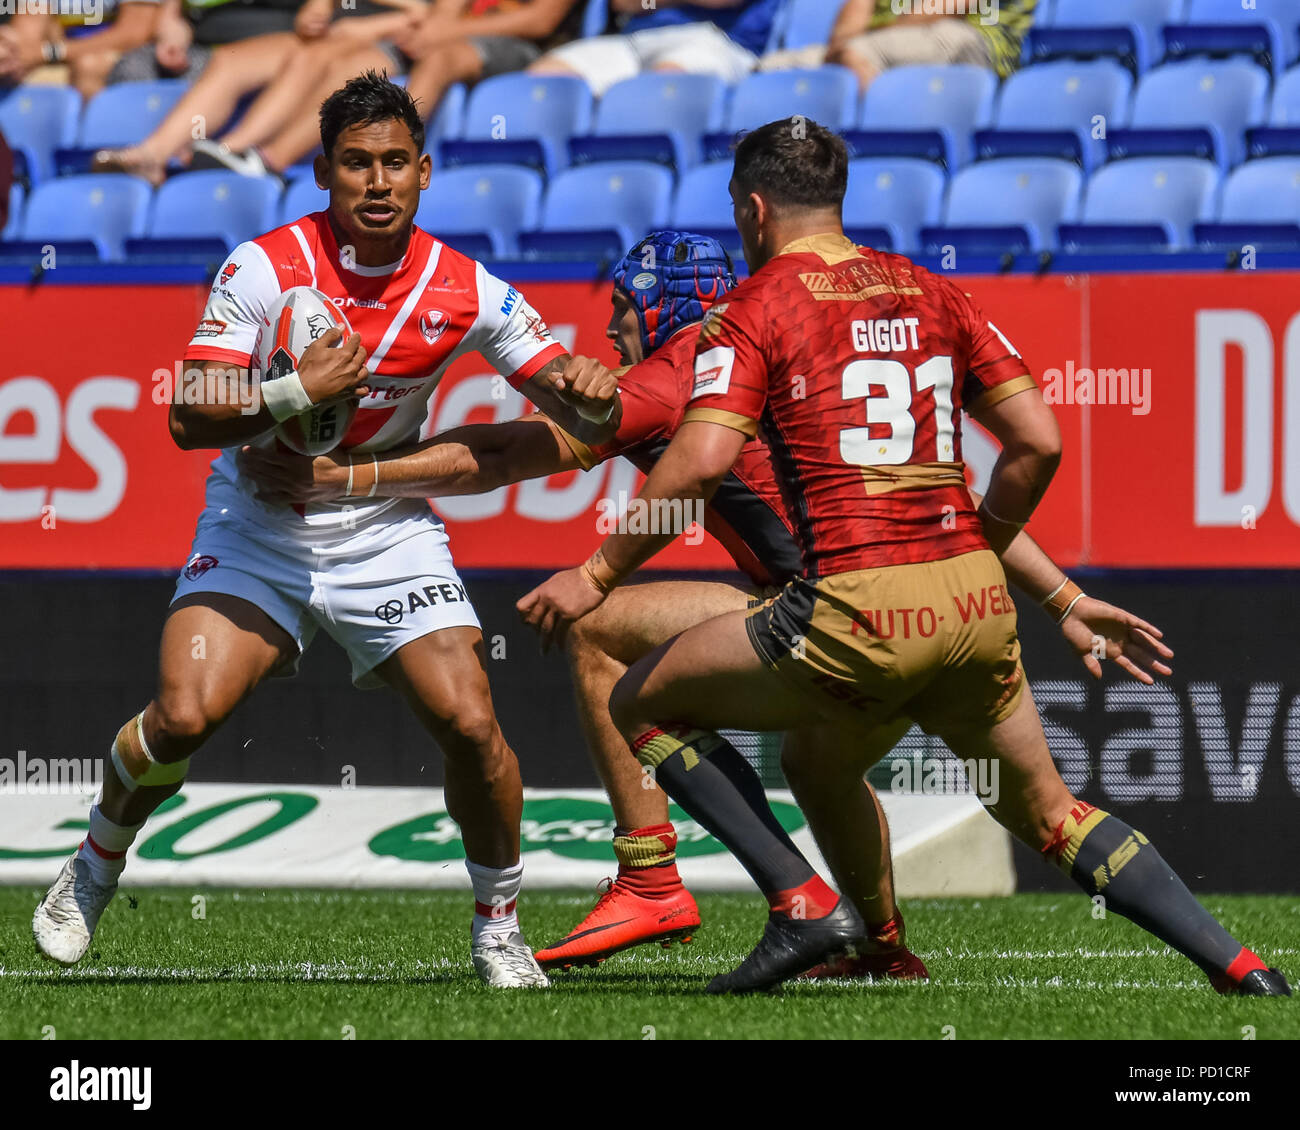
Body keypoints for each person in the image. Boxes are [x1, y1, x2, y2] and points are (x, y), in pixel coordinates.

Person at [239, 228, 1182, 984]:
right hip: (932, 602)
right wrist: (1062, 594)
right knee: (855, 773)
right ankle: (882, 943)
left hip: (829, 614)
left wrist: (348, 473)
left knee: (602, 633)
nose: (612, 339)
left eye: (621, 316)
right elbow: (941, 506)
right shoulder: (793, 352)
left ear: (659, 308)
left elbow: (500, 455)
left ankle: (655, 876)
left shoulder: (682, 366)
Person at [517, 118, 1293, 998]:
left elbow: (698, 464)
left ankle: (798, 904)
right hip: (973, 607)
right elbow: (1037, 442)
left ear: (752, 208)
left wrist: (594, 575)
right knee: (1046, 812)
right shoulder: (935, 290)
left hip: (852, 610)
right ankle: (1241, 967)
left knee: (638, 699)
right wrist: (1051, 590)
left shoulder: (752, 309)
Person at [31, 70, 621, 990]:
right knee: (185, 715)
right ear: (321, 172)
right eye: (356, 164)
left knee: (471, 723)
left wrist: (586, 381)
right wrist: (296, 393)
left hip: (383, 527)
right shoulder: (260, 268)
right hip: (259, 518)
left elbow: (572, 402)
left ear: (426, 173)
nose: (377, 183)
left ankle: (499, 926)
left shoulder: (464, 288)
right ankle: (93, 868)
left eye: (395, 163)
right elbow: (190, 417)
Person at [193, 0, 585, 180]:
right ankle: (265, 159)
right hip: (450, 37)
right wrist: (425, 31)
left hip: (519, 48)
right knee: (346, 61)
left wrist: (445, 32)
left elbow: (538, 20)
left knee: (441, 58)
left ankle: (403, 145)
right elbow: (444, 13)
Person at [90, 0, 425, 185]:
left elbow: (424, 16)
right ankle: (154, 153)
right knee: (230, 61)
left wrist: (360, 27)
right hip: (324, 39)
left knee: (315, 58)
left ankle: (240, 153)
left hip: (380, 44)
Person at [760, 0, 1038, 91]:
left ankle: (859, 144)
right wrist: (848, 48)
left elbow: (946, 7)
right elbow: (846, 30)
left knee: (856, 54)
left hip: (971, 39)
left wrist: (855, 47)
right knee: (770, 69)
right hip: (876, 44)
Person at [528, 0, 781, 96]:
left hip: (716, 39)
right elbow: (622, 3)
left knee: (662, 85)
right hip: (633, 40)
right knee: (541, 81)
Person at [0, 0, 163, 97]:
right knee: (7, 65)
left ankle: (90, 151)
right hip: (60, 52)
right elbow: (27, 32)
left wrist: (49, 52)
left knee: (89, 66)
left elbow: (134, 34)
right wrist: (11, 51)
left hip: (132, 59)